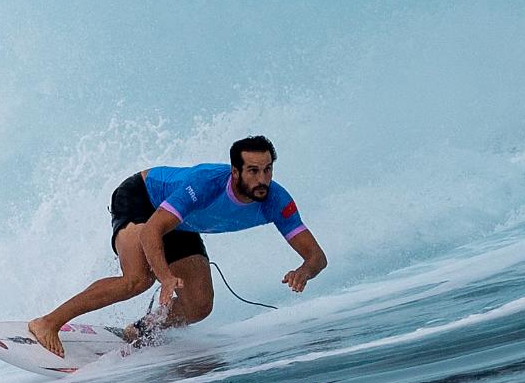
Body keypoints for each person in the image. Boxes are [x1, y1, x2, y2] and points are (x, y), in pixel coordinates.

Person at [27, 135, 327, 358]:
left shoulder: (276, 200)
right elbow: (151, 232)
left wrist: (305, 270)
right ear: (235, 171)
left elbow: (316, 257)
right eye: (253, 171)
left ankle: (140, 329)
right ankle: (48, 322)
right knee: (138, 280)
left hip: (181, 222)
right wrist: (165, 277)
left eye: (267, 170)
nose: (262, 179)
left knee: (199, 305)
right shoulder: (206, 183)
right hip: (142, 198)